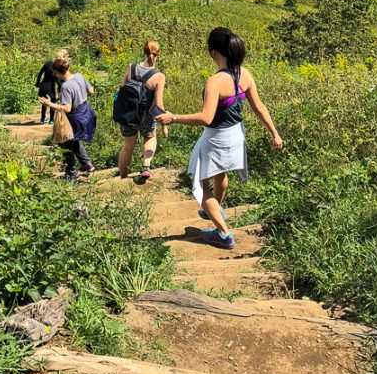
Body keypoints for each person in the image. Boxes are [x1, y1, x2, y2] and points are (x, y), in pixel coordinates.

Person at [156, 27, 282, 250]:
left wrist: (173, 118)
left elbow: (206, 118)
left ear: (213, 52)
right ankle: (216, 209)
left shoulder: (214, 82)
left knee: (199, 183)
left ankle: (223, 234)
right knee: (220, 171)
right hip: (236, 134)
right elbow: (259, 107)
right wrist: (275, 133)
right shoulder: (245, 74)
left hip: (215, 138)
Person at [117, 40, 167, 181]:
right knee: (150, 137)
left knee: (127, 147)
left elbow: (123, 90)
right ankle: (146, 166)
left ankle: (123, 178)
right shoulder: (158, 76)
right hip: (147, 116)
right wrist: (164, 125)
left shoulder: (131, 67)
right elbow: (159, 104)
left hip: (128, 114)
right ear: (158, 54)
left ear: (144, 51)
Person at [41, 55, 97, 180]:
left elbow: (67, 108)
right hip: (85, 112)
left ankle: (72, 172)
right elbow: (91, 91)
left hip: (74, 117)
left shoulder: (66, 86)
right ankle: (88, 164)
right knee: (74, 141)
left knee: (65, 142)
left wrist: (50, 104)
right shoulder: (79, 76)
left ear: (57, 72)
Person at [35, 49, 67, 124]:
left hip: (43, 86)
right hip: (50, 88)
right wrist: (60, 89)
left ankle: (42, 119)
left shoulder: (47, 63)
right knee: (52, 103)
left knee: (44, 102)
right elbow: (57, 80)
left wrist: (37, 83)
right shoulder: (57, 67)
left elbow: (40, 73)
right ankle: (51, 120)